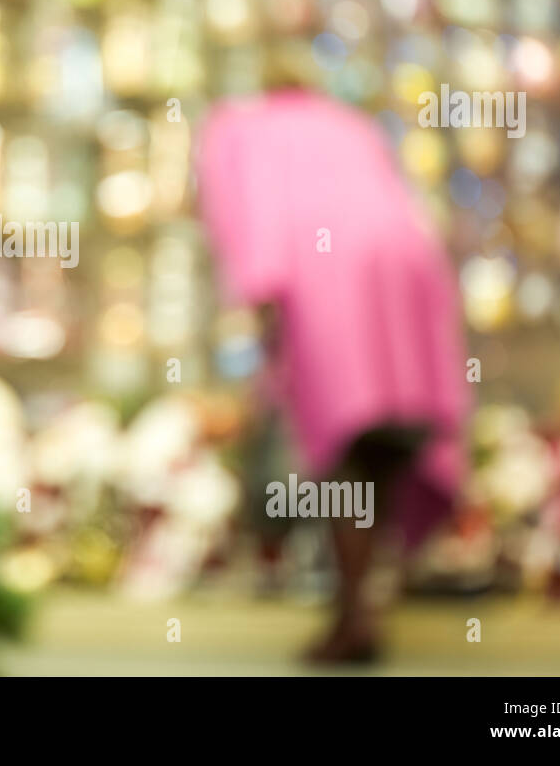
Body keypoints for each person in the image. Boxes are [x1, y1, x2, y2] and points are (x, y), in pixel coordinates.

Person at [196, 89, 469, 663]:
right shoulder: (348, 122)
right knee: (384, 445)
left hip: (327, 271)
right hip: (407, 259)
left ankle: (352, 619)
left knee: (340, 447)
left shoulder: (237, 126)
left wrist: (260, 304)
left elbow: (251, 219)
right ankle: (364, 609)